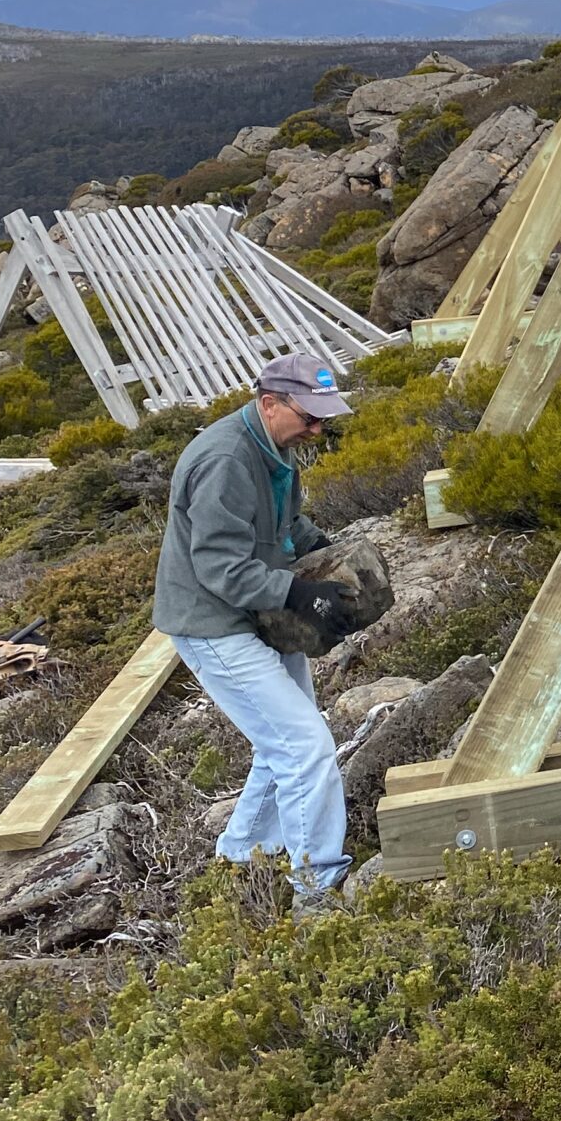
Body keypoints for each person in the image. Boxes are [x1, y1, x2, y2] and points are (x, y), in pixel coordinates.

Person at [153, 353, 357, 892]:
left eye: (323, 419)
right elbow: (218, 566)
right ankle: (318, 889)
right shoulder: (224, 460)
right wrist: (297, 592)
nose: (317, 429)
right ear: (269, 403)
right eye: (309, 417)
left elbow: (284, 522)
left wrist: (323, 552)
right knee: (305, 748)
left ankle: (243, 855)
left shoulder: (273, 447)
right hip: (214, 621)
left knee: (283, 741)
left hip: (259, 611)